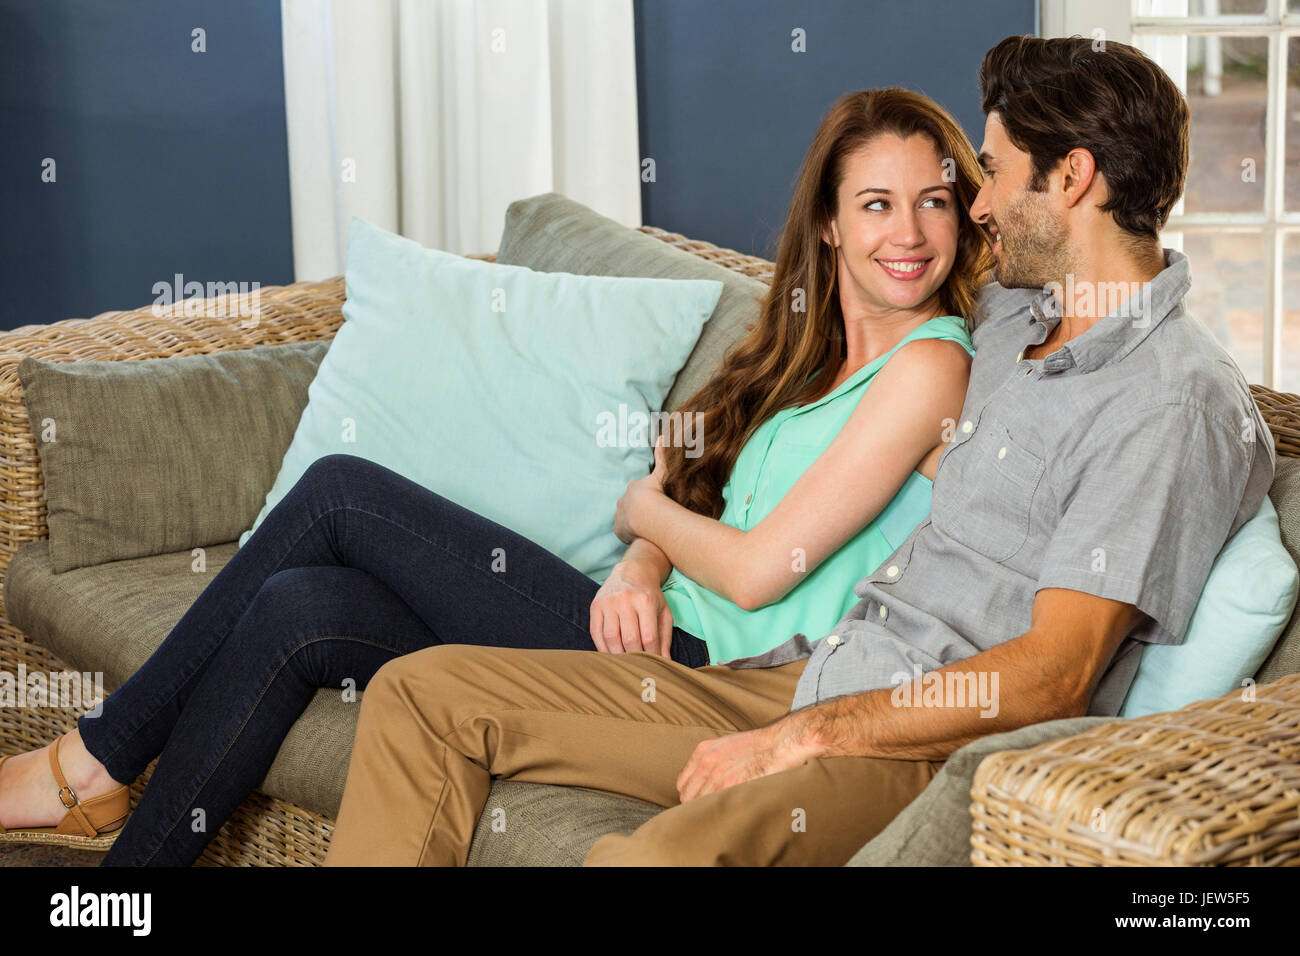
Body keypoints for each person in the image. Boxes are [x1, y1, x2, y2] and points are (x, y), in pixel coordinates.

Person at [321, 34, 1276, 867]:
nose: (975, 207)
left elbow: (1053, 674)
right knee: (421, 694)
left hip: (924, 753)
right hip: (816, 672)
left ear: (1071, 179)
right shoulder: (1016, 319)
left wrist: (803, 738)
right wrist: (657, 545)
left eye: (990, 171)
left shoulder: (1171, 403)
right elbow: (875, 283)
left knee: (659, 858)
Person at [0, 88, 989, 866]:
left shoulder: (931, 363)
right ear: (825, 223)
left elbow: (761, 570)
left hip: (706, 674)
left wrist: (638, 506)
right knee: (302, 608)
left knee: (343, 490)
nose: (906, 232)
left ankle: (92, 759)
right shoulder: (806, 355)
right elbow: (702, 497)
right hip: (643, 622)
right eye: (876, 204)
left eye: (932, 201)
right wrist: (641, 558)